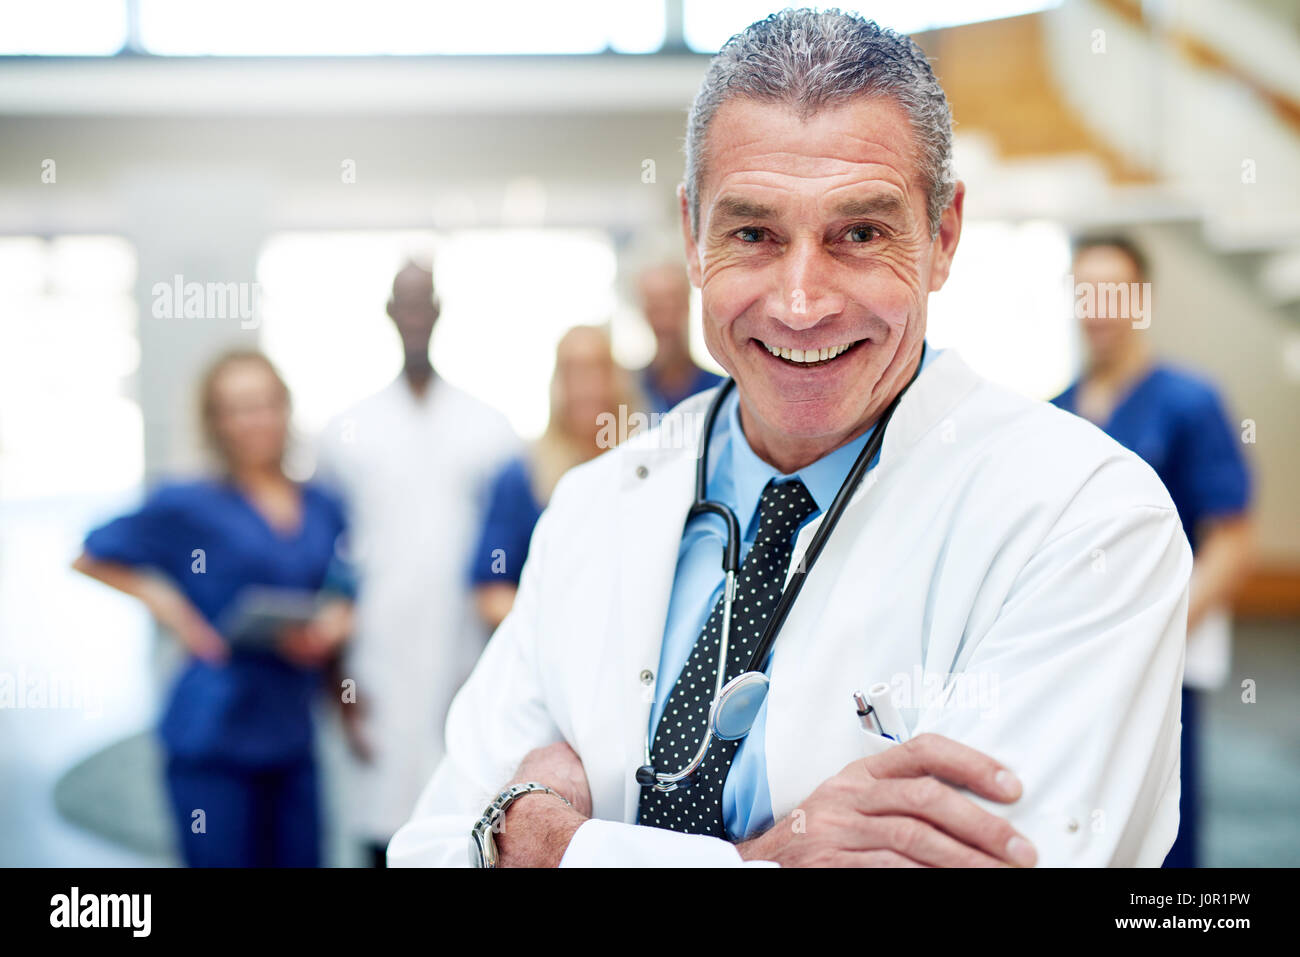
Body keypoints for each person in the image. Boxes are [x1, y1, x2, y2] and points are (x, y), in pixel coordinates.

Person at [389, 10, 1192, 868]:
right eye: (753, 234)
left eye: (860, 233)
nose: (801, 302)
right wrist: (775, 857)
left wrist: (551, 844)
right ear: (695, 234)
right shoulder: (595, 503)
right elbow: (436, 845)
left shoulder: (1088, 519)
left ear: (944, 236)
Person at [73, 350, 355, 868]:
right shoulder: (187, 503)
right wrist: (171, 607)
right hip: (215, 728)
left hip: (291, 727)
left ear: (286, 408)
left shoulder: (321, 503)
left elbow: (342, 581)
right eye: (238, 408)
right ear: (215, 422)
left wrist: (336, 621)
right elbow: (91, 554)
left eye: (266, 404)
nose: (256, 420)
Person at [1052, 235, 1254, 868]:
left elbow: (1233, 539)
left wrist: (1152, 629)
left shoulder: (1190, 404)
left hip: (1161, 653)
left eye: (1115, 289)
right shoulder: (1057, 415)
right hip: (1077, 658)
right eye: (1086, 289)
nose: (1099, 306)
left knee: (1160, 822)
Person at [315, 259, 519, 868]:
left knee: (465, 825)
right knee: (381, 816)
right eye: (402, 303)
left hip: (464, 654)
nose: (413, 315)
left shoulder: (491, 429)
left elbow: (506, 564)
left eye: (423, 302)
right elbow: (328, 570)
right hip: (373, 659)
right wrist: (340, 688)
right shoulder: (346, 432)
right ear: (387, 312)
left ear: (438, 311)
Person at [470, 325, 643, 630]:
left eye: (595, 370)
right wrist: (559, 631)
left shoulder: (650, 465)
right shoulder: (521, 477)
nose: (584, 386)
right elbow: (493, 586)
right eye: (572, 372)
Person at [634, 260, 722, 413]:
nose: (665, 322)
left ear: (687, 307)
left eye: (672, 306)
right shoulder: (630, 391)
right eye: (656, 308)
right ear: (644, 313)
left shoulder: (720, 392)